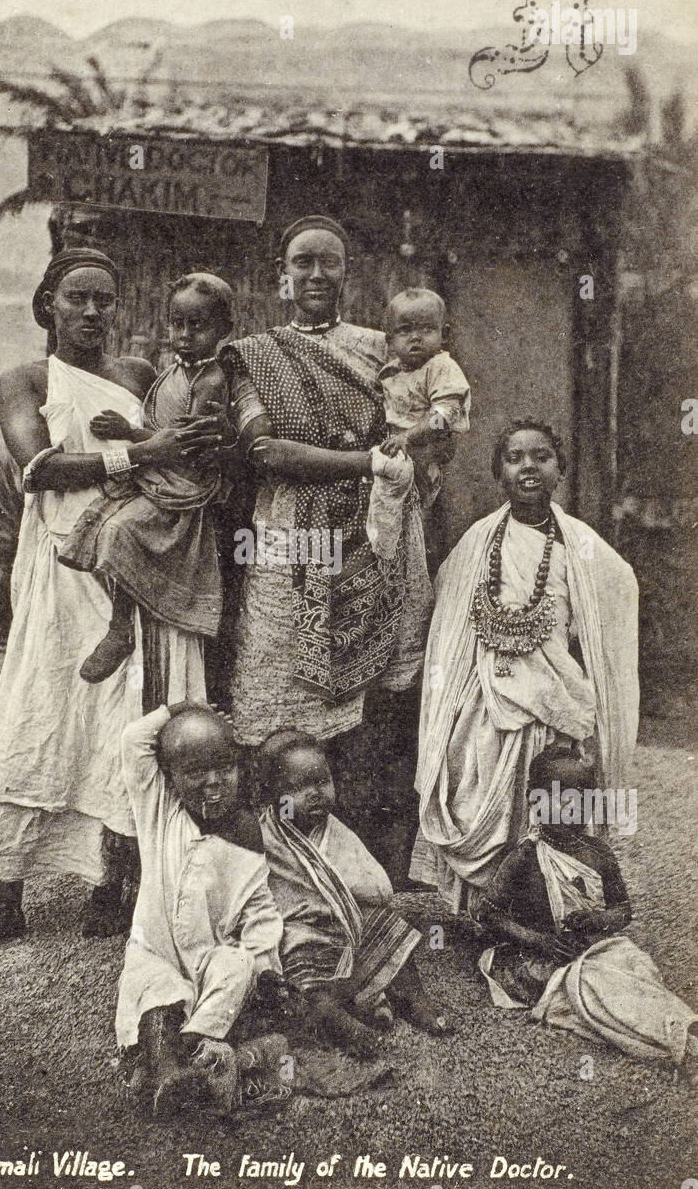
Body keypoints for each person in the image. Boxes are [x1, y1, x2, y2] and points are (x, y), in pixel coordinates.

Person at [0, 249, 223, 959]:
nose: (92, 313)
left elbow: (184, 443)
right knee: (39, 712)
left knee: (129, 717)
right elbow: (39, 468)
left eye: (104, 300)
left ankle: (114, 886)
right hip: (63, 565)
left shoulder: (138, 376)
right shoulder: (26, 380)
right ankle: (5, 898)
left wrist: (172, 455)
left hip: (141, 558)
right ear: (48, 305)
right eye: (76, 299)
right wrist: (138, 457)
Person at [225, 215, 446, 756]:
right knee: (276, 665)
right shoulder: (255, 354)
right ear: (284, 274)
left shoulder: (387, 350)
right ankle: (284, 813)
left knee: (386, 693)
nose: (317, 274)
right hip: (290, 534)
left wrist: (410, 465)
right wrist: (370, 461)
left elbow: (439, 432)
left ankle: (370, 828)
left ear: (348, 272)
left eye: (330, 262)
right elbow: (266, 451)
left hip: (380, 531)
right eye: (304, 262)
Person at [411, 419, 639, 915]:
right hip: (487, 693)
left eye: (542, 456)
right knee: (474, 780)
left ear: (560, 469)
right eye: (515, 458)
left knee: (552, 793)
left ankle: (543, 907)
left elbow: (619, 587)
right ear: (499, 472)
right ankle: (484, 909)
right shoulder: (479, 540)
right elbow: (450, 609)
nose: (529, 466)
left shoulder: (578, 543)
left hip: (552, 695)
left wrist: (582, 635)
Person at [58, 272, 235, 684]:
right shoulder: (173, 373)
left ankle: (121, 630)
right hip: (159, 474)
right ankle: (119, 623)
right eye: (177, 324)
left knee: (120, 530)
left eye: (198, 326)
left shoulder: (211, 381)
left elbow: (187, 445)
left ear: (222, 330)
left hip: (183, 484)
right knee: (99, 521)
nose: (184, 335)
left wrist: (130, 434)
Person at [473, 746, 698, 1069]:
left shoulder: (598, 853)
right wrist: (542, 942)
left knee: (635, 966)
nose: (573, 813)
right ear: (534, 801)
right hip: (539, 960)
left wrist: (596, 920)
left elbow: (623, 910)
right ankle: (673, 1036)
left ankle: (678, 1023)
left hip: (592, 948)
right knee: (596, 985)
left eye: (583, 802)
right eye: (562, 802)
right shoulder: (525, 856)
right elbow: (488, 912)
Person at [116, 702, 291, 1116]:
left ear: (239, 768)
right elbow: (132, 741)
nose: (213, 783)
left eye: (225, 769)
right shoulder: (160, 811)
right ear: (171, 780)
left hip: (211, 952)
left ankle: (194, 1056)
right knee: (153, 987)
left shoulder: (247, 832)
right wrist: (182, 708)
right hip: (155, 948)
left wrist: (267, 969)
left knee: (237, 966)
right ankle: (165, 1067)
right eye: (195, 773)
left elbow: (259, 908)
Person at [257, 729, 452, 1057]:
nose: (315, 793)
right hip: (297, 933)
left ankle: (412, 998)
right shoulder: (266, 839)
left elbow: (377, 886)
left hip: (346, 925)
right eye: (297, 787)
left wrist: (350, 903)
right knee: (298, 965)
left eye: (322, 781)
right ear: (271, 794)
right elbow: (263, 896)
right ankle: (338, 1021)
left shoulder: (333, 830)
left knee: (389, 926)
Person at [378, 287, 470, 509]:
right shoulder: (392, 371)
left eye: (427, 329)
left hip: (424, 453)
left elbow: (445, 415)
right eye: (405, 330)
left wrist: (408, 437)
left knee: (414, 515)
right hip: (396, 456)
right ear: (390, 340)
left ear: (444, 334)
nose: (416, 337)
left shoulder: (441, 367)